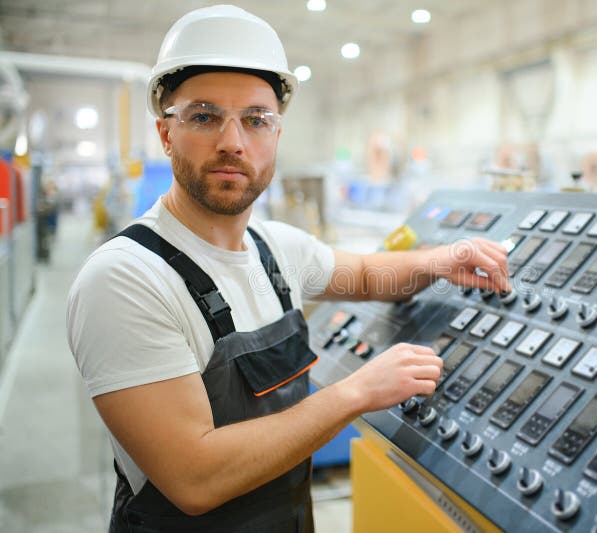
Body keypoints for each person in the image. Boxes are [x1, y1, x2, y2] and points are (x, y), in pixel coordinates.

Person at [66, 5, 509, 532]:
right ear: (166, 134)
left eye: (256, 119)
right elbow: (194, 476)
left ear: (275, 136)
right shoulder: (125, 279)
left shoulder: (276, 250)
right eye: (204, 116)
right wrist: (357, 392)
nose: (233, 141)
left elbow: (368, 275)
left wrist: (440, 260)